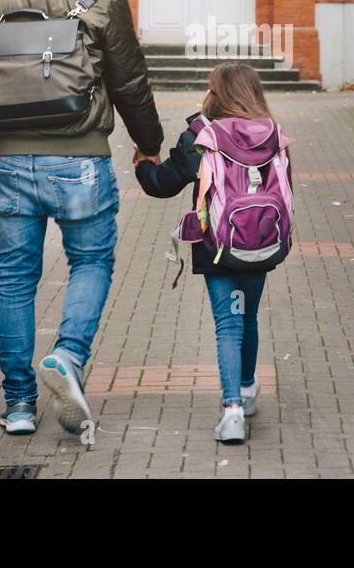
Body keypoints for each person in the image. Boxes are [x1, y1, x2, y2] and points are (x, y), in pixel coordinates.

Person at [0, 0, 163, 436]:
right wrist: (149, 143)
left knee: (15, 278)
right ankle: (68, 356)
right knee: (91, 261)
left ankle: (19, 405)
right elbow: (130, 82)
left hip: (6, 159)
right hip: (78, 159)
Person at [134, 62, 289, 444]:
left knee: (227, 324)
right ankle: (249, 390)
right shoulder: (274, 135)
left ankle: (232, 410)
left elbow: (162, 184)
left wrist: (142, 166)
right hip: (262, 242)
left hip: (217, 245)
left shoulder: (202, 137)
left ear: (217, 94)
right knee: (248, 317)